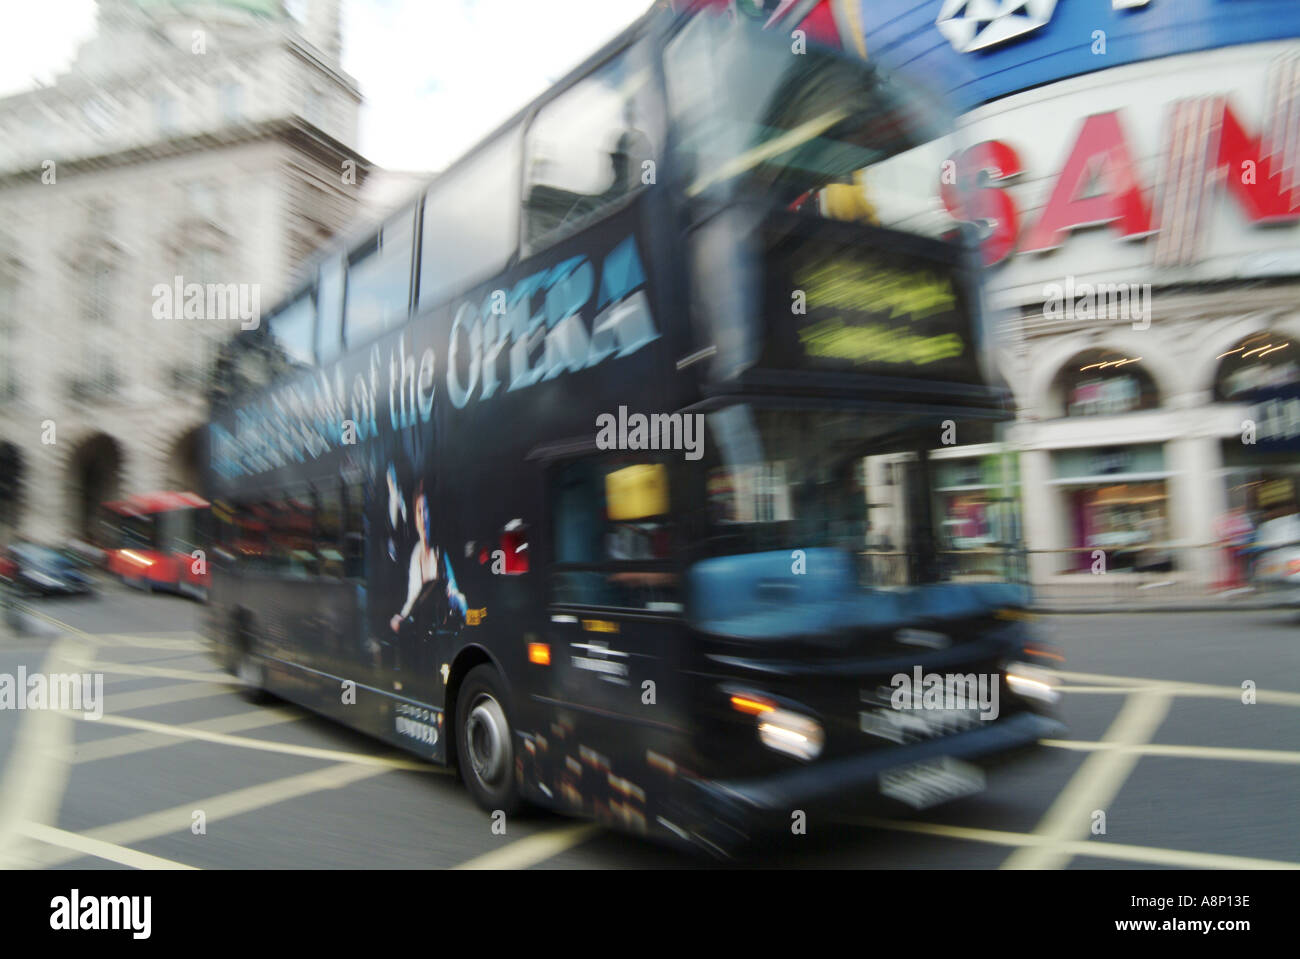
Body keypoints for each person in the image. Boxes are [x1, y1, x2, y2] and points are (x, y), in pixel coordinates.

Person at [390, 482, 465, 635]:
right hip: (423, 631)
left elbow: (457, 596)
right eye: (419, 511)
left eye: (426, 511)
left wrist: (454, 601)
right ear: (416, 519)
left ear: (431, 515)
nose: (423, 517)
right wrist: (401, 617)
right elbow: (413, 596)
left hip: (440, 632)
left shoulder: (440, 552)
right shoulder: (416, 553)